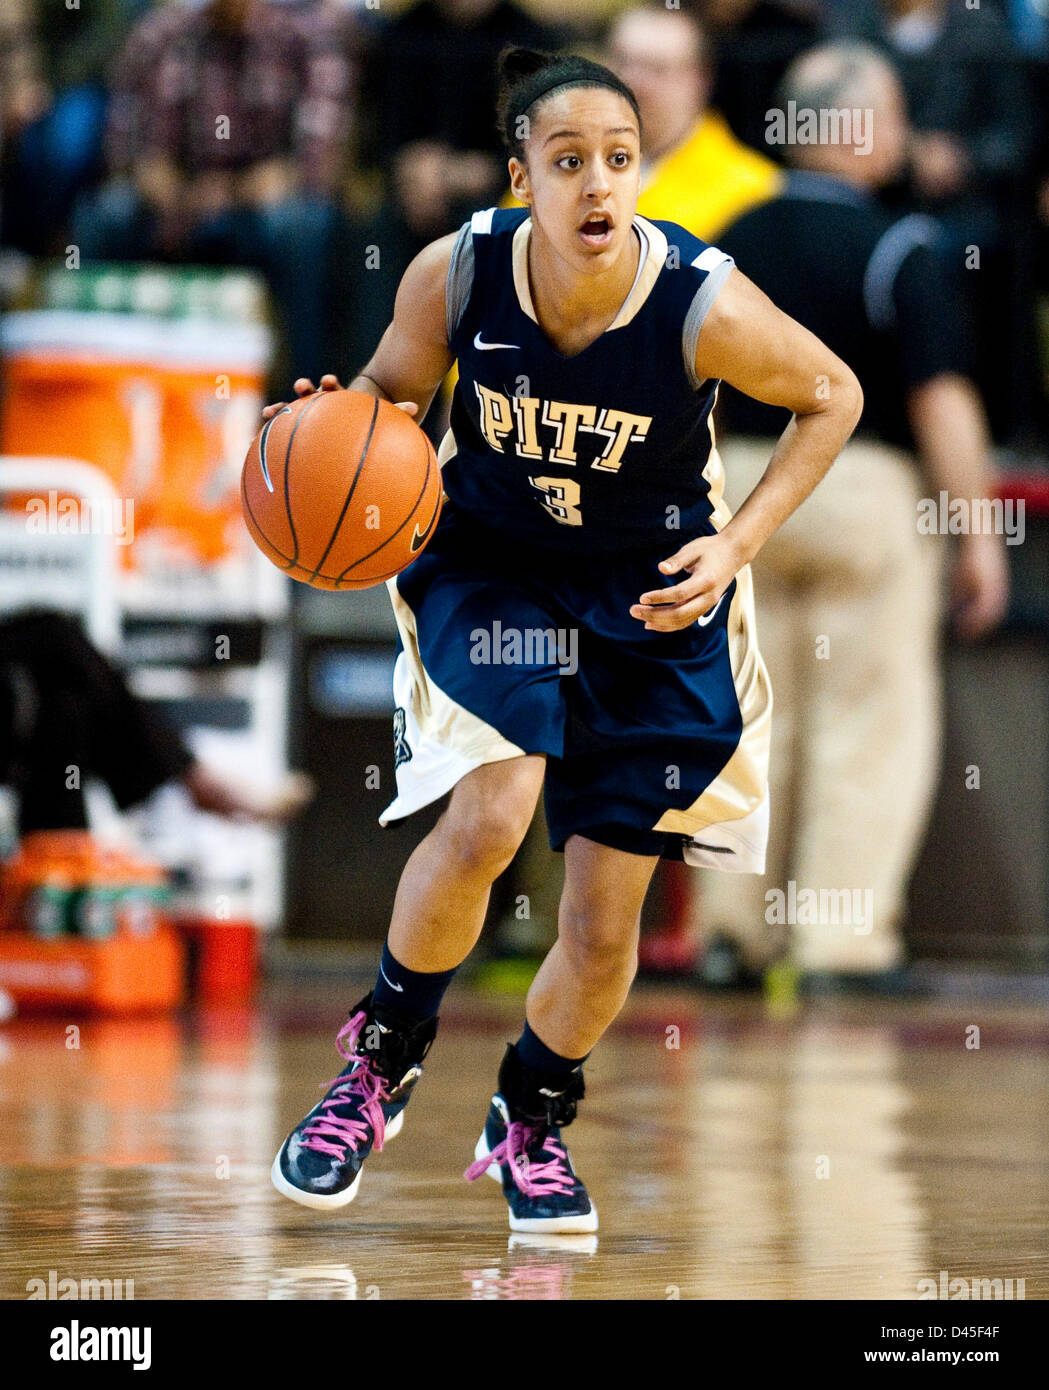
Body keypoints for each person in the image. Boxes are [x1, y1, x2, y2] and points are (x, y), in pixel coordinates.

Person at [266, 47, 862, 1233]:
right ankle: (377, 1063)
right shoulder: (457, 272)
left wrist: (736, 542)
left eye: (620, 161)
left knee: (601, 924)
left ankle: (530, 1115)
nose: (597, 185)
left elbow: (831, 394)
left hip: (649, 599)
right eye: (568, 161)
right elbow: (389, 396)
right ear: (519, 176)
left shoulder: (699, 299)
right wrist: (329, 429)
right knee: (491, 808)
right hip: (495, 571)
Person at [701, 43, 1009, 989]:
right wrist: (979, 537)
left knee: (746, 724)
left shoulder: (725, 241)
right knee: (866, 724)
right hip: (856, 485)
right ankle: (840, 946)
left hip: (735, 491)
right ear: (860, 129)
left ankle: (728, 938)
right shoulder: (898, 247)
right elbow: (941, 401)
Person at [71, 0, 355, 384]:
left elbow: (319, 155)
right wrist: (149, 174)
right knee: (107, 213)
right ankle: (96, 379)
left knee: (305, 224)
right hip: (178, 203)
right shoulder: (160, 34)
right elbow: (124, 142)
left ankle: (302, 393)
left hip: (259, 208)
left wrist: (268, 181)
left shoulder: (304, 36)